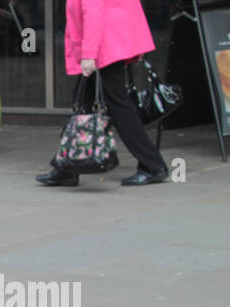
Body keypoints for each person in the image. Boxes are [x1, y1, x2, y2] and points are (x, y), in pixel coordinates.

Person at [36, 0, 167, 186]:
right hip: (108, 41)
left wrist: (89, 54)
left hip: (105, 44)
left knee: (117, 105)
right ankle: (67, 167)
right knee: (84, 102)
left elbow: (94, 12)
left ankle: (153, 165)